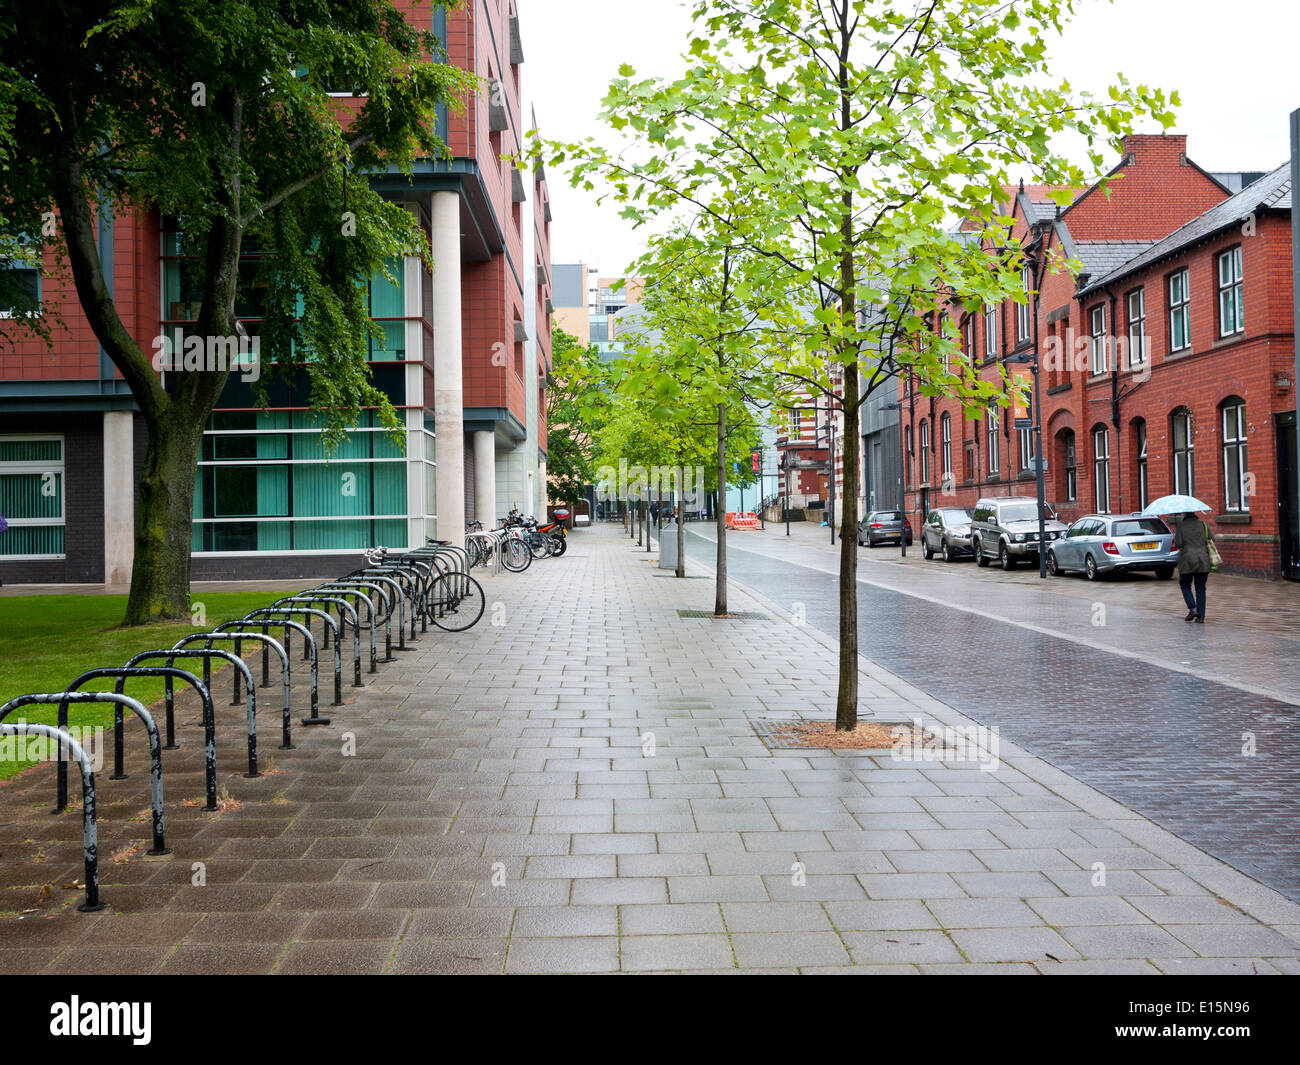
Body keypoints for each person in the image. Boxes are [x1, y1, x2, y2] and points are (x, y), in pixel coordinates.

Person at [1173, 511, 1214, 623]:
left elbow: (1178, 543)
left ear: (1184, 514)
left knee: (1185, 584)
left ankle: (1192, 608)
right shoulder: (1203, 524)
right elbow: (1211, 538)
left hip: (1187, 560)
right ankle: (1201, 617)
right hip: (1203, 560)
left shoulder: (1181, 525)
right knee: (1200, 588)